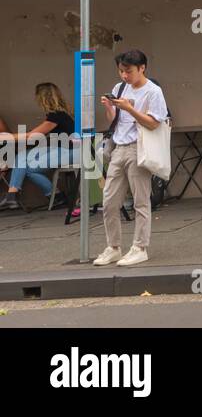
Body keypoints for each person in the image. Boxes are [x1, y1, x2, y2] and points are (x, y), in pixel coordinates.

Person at [93, 50, 169, 268]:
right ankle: (113, 247)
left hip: (140, 148)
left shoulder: (153, 92)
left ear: (142, 68)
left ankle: (140, 247)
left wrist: (130, 108)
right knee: (109, 202)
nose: (124, 75)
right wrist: (110, 108)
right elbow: (115, 120)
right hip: (119, 147)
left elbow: (154, 123)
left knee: (140, 201)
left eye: (128, 71)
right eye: (121, 71)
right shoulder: (120, 88)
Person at [0, 83, 77, 211]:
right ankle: (12, 195)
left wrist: (5, 137)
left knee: (29, 167)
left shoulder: (56, 115)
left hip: (70, 151)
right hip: (60, 149)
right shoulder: (58, 114)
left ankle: (55, 196)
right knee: (24, 159)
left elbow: (31, 136)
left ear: (42, 98)